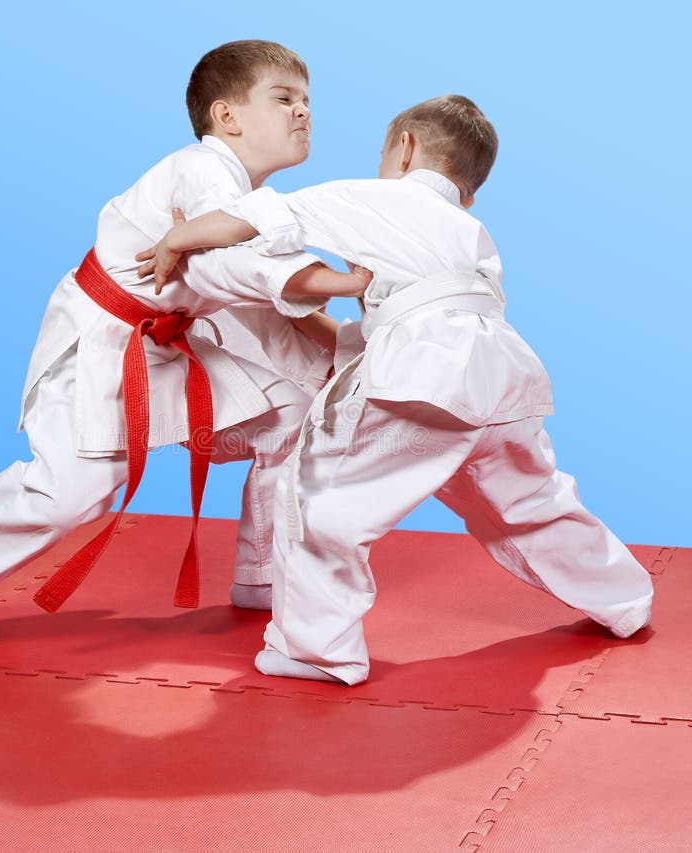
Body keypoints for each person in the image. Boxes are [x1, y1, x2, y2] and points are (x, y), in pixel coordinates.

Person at [140, 94, 655, 685]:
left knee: (318, 501)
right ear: (469, 190)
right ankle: (625, 599)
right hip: (504, 383)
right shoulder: (473, 231)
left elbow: (252, 217)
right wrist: (306, 316)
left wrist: (176, 241)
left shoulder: (373, 195)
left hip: (428, 387)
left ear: (405, 149)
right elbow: (414, 318)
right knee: (532, 504)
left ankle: (314, 650)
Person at [0, 40, 369, 648]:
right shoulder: (203, 170)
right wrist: (352, 282)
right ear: (225, 116)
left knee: (291, 415)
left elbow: (270, 298)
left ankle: (262, 573)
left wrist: (352, 345)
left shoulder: (244, 200)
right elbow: (245, 263)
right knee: (71, 497)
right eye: (284, 98)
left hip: (170, 346)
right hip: (103, 345)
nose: (304, 113)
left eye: (308, 102)